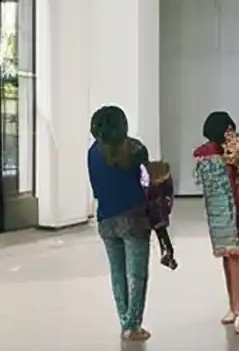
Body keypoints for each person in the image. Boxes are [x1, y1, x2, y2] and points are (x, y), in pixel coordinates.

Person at [87, 105, 152, 342]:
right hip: (134, 218)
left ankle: (124, 320)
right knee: (137, 274)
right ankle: (133, 326)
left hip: (106, 219)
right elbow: (147, 182)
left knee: (117, 272)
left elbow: (95, 187)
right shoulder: (135, 149)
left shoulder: (93, 152)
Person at [194, 111, 239, 334]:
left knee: (236, 257)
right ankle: (234, 307)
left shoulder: (232, 153)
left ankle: (238, 309)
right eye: (227, 129)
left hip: (235, 214)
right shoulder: (209, 154)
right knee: (230, 257)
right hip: (226, 215)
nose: (231, 134)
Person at [144, 160, 178, 269]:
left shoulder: (164, 182)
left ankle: (167, 253)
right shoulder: (148, 181)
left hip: (156, 210)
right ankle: (167, 253)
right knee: (161, 231)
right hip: (153, 211)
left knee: (161, 231)